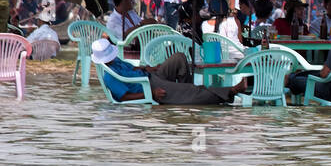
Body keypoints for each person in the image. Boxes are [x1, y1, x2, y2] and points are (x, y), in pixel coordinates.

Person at [90, 38, 247, 105]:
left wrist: (148, 68)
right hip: (148, 87)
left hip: (150, 76)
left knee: (179, 58)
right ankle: (231, 90)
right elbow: (124, 97)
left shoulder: (115, 61)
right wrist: (151, 95)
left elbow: (132, 68)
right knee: (192, 90)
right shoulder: (109, 76)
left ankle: (185, 94)